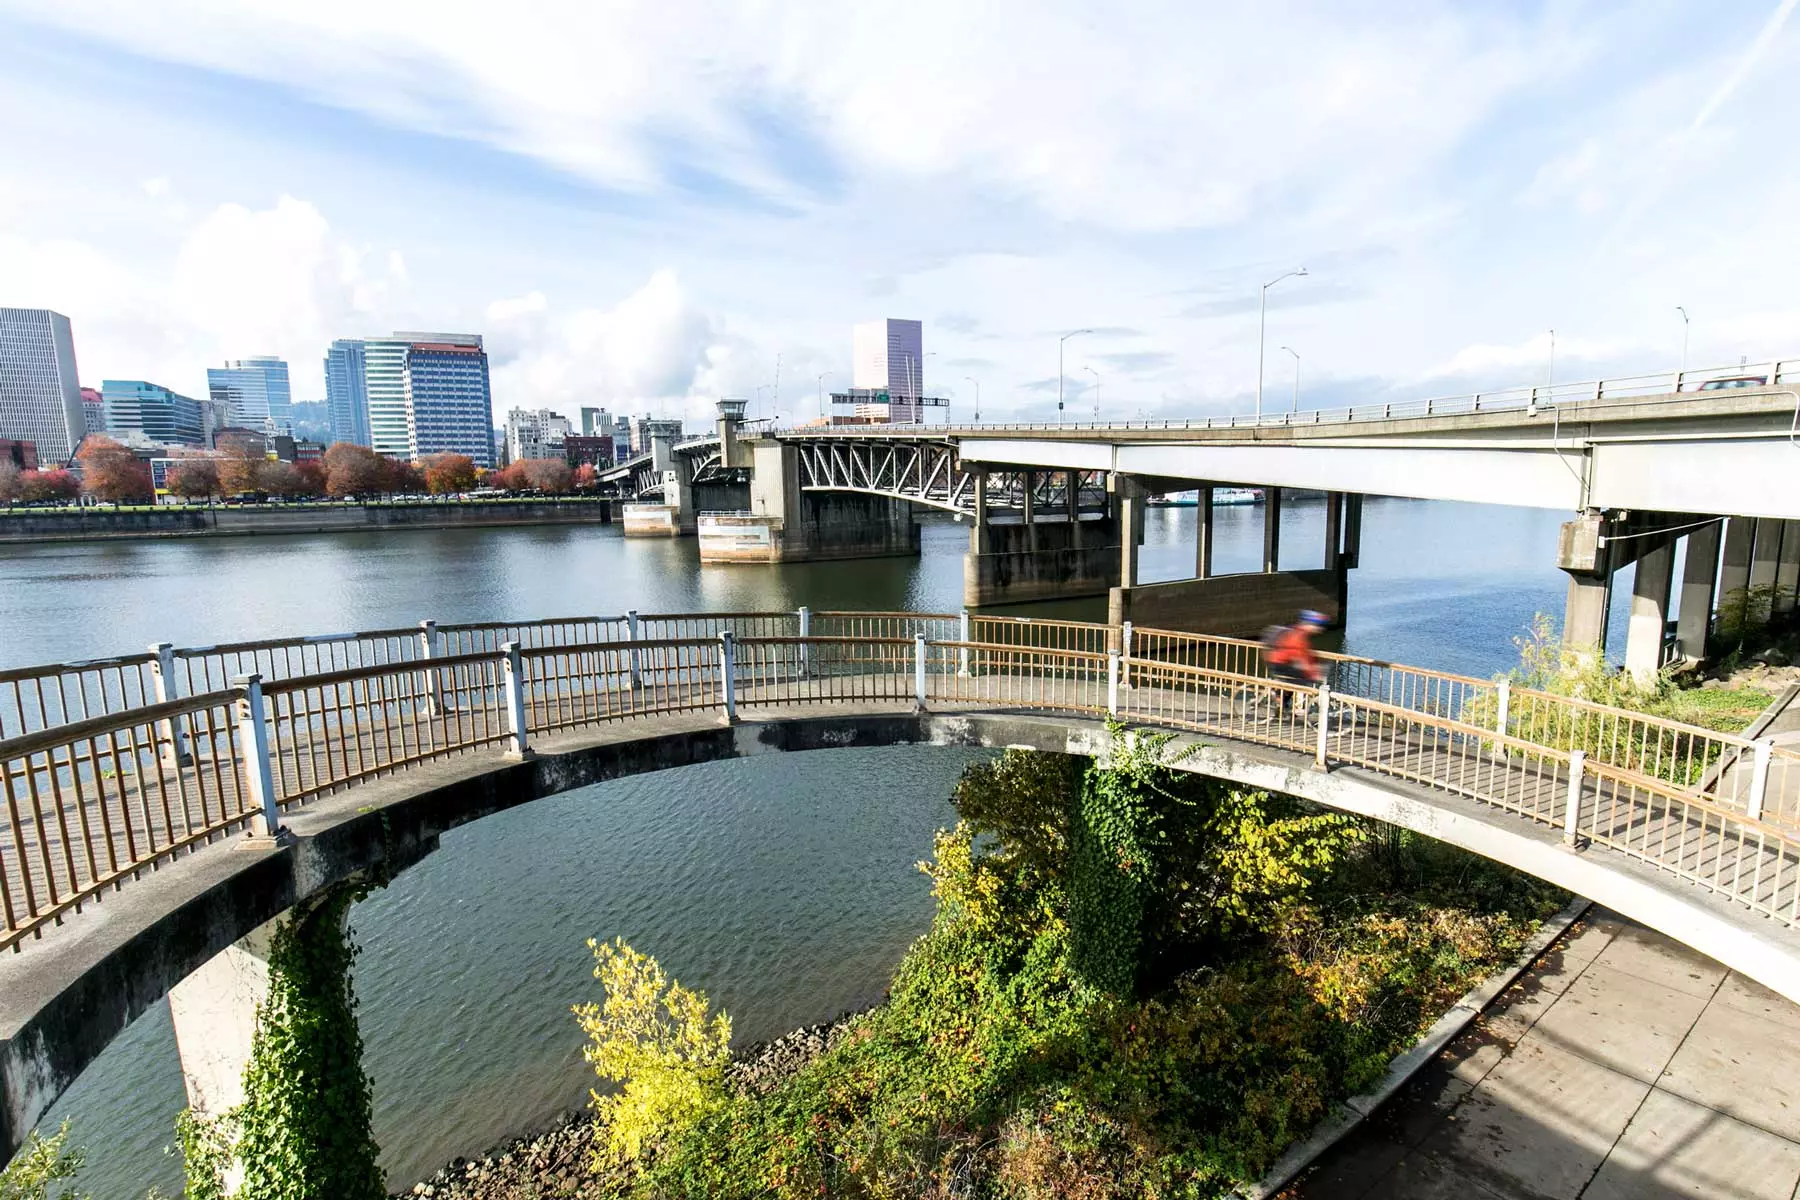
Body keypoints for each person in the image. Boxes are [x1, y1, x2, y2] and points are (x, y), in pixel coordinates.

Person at [1265, 609, 1327, 713]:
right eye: (1316, 626)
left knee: (1296, 680)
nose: (1319, 629)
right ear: (1308, 624)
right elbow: (1301, 656)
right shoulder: (1298, 636)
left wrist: (1314, 665)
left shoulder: (1300, 633)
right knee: (1301, 679)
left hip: (1282, 661)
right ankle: (1282, 699)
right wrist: (1312, 672)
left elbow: (1306, 654)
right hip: (1278, 662)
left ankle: (1282, 704)